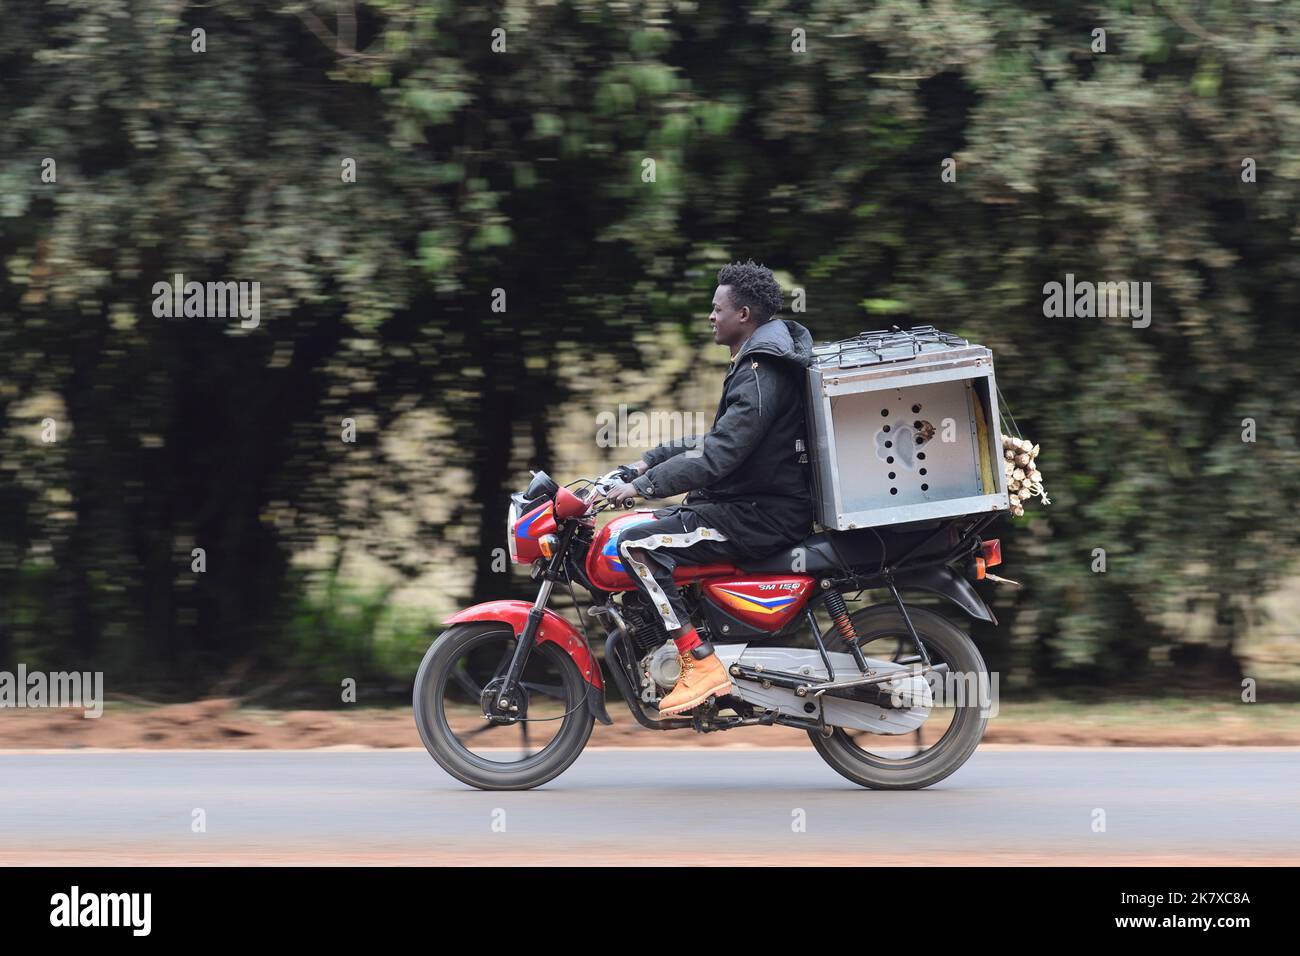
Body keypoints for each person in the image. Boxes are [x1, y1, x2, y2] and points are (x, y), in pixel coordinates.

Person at [605, 260, 814, 716]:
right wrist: (649, 461)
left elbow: (719, 456)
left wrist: (644, 486)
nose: (710, 317)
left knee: (636, 545)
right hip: (752, 505)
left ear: (743, 315)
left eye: (717, 309)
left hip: (762, 515)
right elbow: (720, 440)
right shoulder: (760, 362)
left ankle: (699, 665)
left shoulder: (762, 370)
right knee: (658, 528)